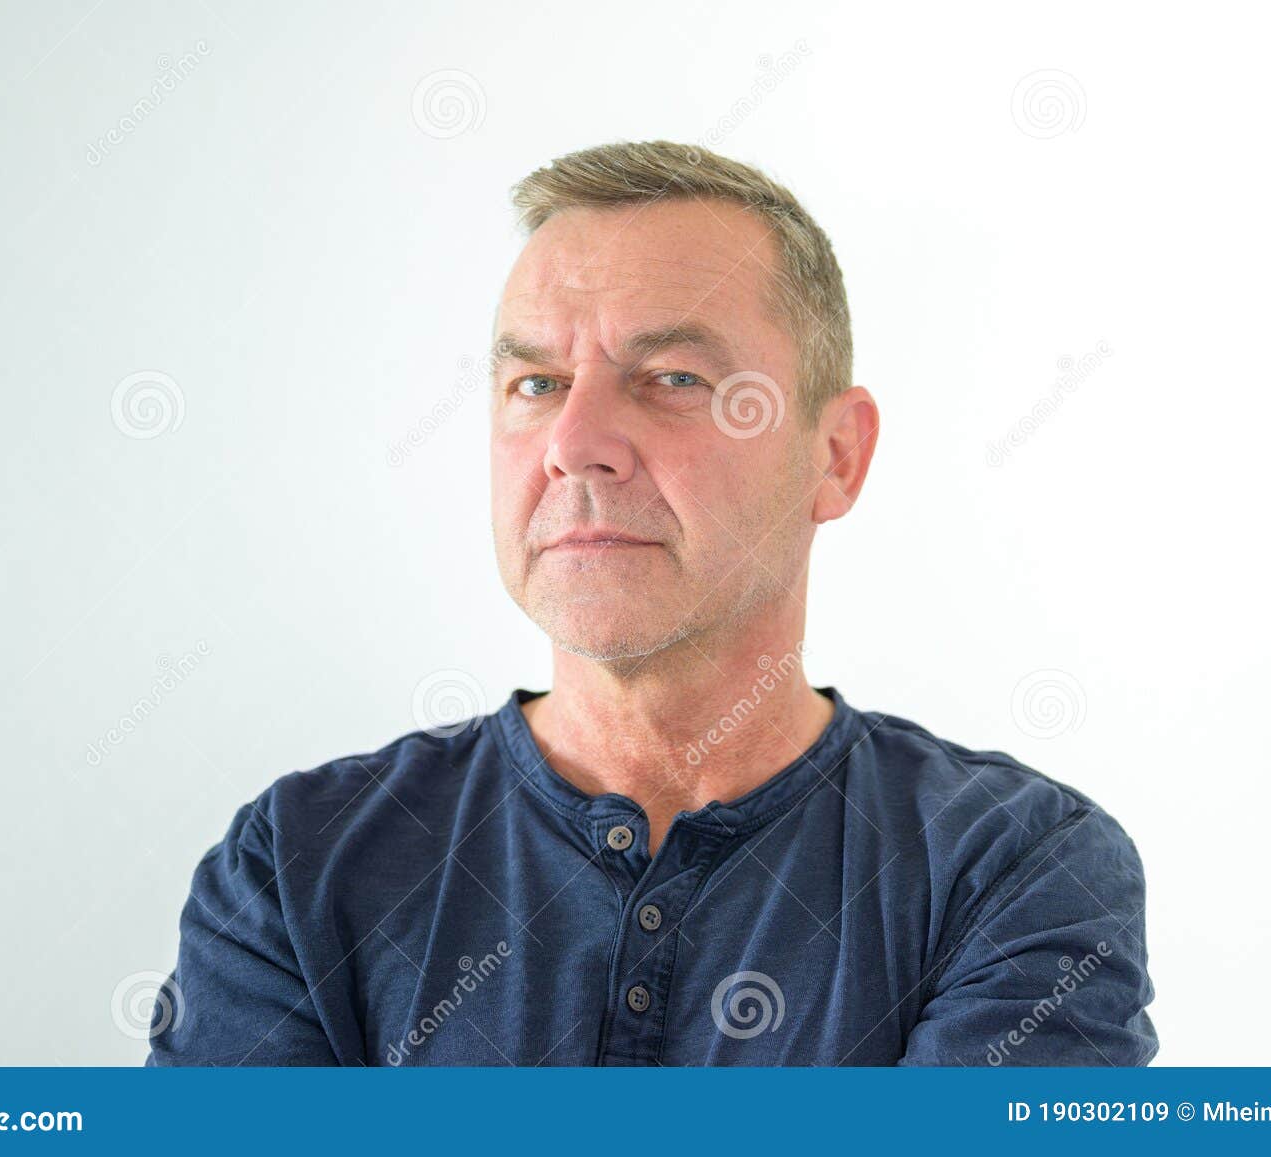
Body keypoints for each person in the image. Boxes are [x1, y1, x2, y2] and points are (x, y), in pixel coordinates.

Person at [146, 139, 1157, 1067]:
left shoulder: (1011, 870)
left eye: (673, 376)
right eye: (536, 383)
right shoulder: (301, 865)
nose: (573, 441)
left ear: (836, 454)